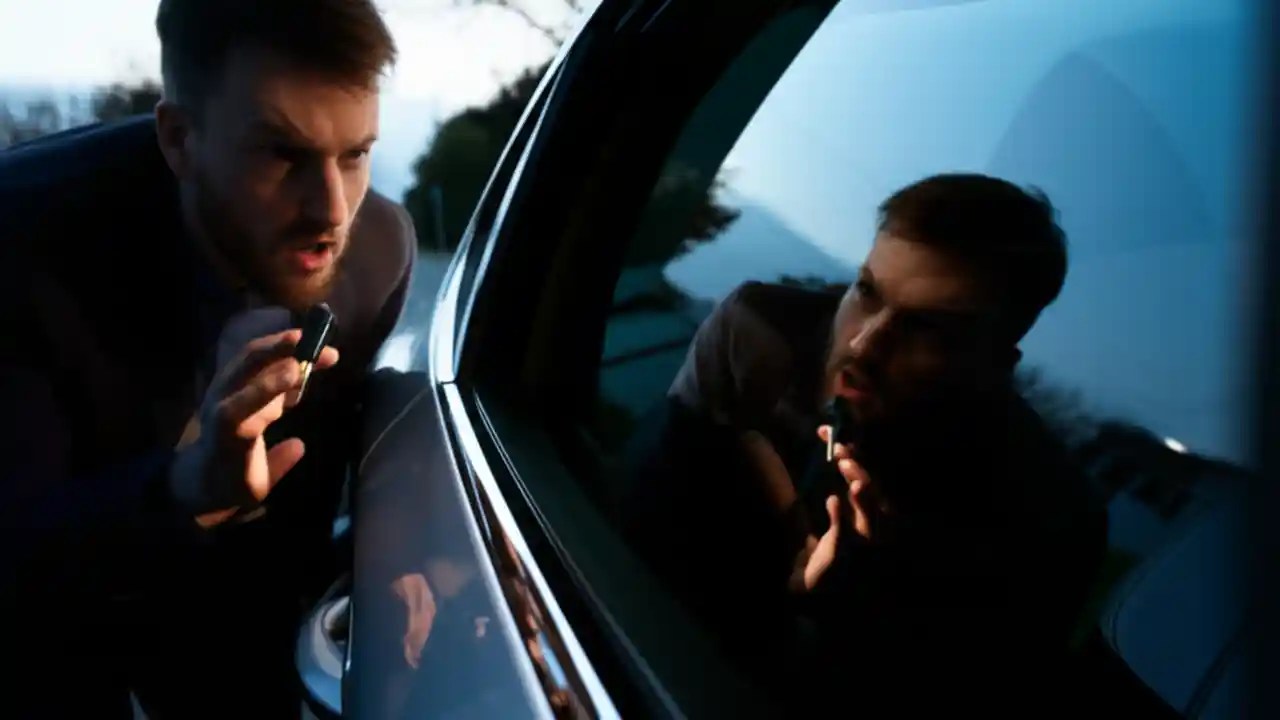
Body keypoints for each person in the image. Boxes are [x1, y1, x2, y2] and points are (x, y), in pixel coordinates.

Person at [0, 0, 415, 716]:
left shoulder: (376, 252)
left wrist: (406, 542)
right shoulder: (21, 248)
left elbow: (308, 502)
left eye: (355, 154)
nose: (332, 211)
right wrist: (183, 492)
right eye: (283, 153)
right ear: (179, 138)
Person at [620, 174, 1108, 713]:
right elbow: (635, 523)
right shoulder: (756, 336)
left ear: (994, 365)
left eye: (928, 329)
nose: (865, 343)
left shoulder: (1042, 515)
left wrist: (863, 606)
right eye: (867, 291)